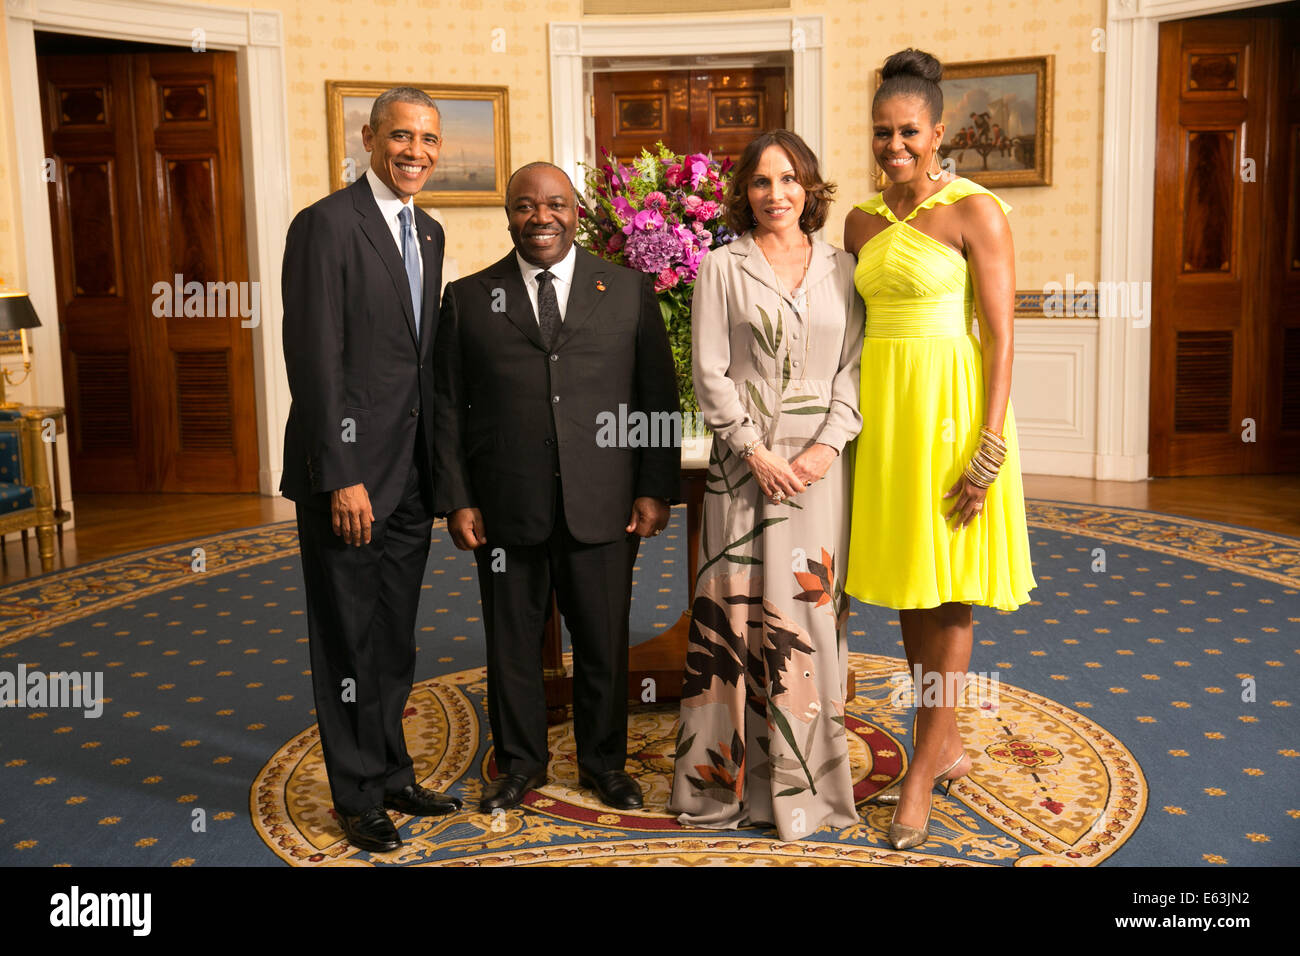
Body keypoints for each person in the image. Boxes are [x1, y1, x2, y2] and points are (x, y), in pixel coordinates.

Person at [433, 161, 679, 813]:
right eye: (524, 206)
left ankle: (604, 764)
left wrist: (655, 487)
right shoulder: (467, 298)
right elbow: (445, 408)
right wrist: (457, 497)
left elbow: (657, 394)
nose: (540, 217)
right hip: (504, 507)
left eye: (555, 205)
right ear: (508, 214)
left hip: (603, 505)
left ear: (577, 213)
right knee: (512, 643)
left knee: (602, 644)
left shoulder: (627, 291)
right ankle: (520, 764)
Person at [843, 49, 1037, 850]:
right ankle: (947, 740)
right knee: (907, 583)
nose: (895, 145)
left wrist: (989, 445)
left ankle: (924, 761)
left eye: (910, 131)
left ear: (939, 130)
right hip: (885, 416)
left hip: (955, 417)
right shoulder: (856, 222)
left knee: (948, 588)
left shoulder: (975, 210)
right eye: (884, 132)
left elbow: (1001, 334)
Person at [667, 130, 865, 841]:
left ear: (810, 188)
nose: (775, 194)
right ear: (743, 192)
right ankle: (718, 788)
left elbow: (853, 371)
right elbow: (709, 371)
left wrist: (823, 450)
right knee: (735, 620)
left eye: (788, 180)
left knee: (806, 622)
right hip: (742, 472)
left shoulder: (845, 267)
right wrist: (754, 451)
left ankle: (805, 792)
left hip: (819, 476)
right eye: (760, 182)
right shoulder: (721, 266)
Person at [280, 87, 463, 854]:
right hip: (349, 475)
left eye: (426, 139)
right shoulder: (325, 225)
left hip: (409, 475)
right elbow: (314, 359)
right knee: (349, 641)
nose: (414, 151)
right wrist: (341, 473)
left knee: (394, 639)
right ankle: (356, 795)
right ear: (368, 138)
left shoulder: (430, 231)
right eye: (399, 136)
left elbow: (417, 362)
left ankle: (390, 771)